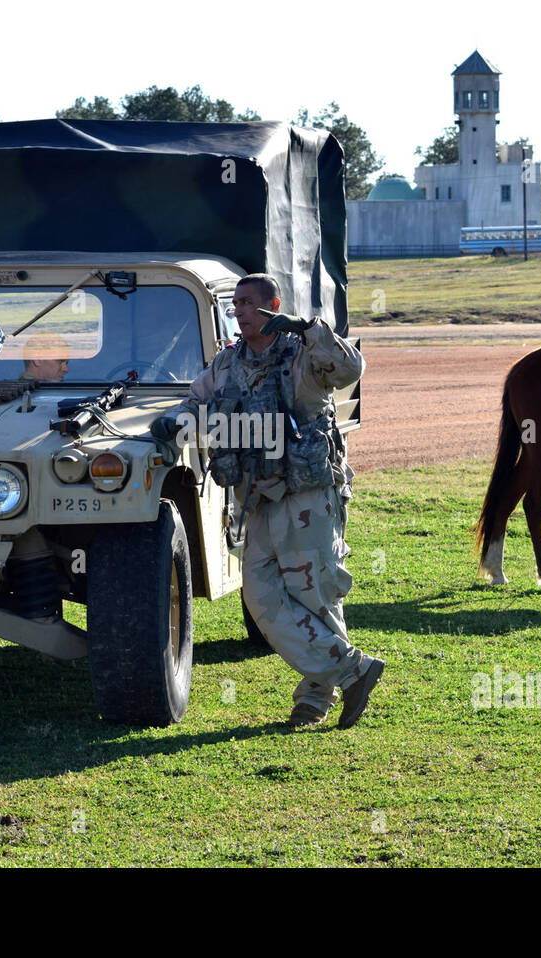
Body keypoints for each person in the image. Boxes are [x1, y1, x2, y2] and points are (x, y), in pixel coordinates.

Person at [151, 273, 384, 729]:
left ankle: (314, 701)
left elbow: (351, 370)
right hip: (257, 496)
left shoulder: (303, 353)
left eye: (247, 303)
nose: (238, 310)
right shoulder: (228, 363)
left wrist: (307, 327)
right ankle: (354, 669)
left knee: (314, 595)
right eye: (234, 304)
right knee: (260, 596)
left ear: (272, 305)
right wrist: (172, 421)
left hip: (307, 496)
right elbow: (197, 402)